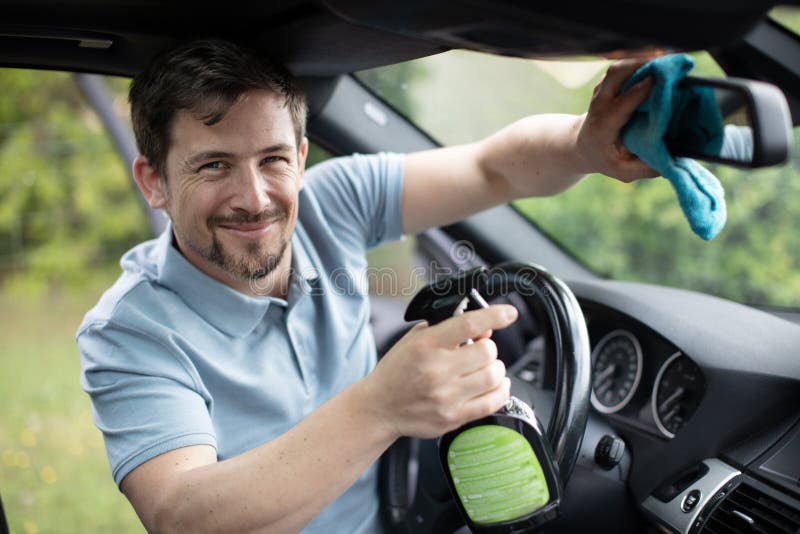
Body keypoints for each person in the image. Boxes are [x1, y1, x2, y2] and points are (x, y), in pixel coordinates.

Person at [77, 39, 655, 533]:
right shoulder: (129, 331)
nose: (254, 199)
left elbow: (490, 168)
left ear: (301, 159)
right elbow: (182, 515)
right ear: (154, 181)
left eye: (273, 159)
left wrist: (586, 143)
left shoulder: (335, 201)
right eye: (214, 166)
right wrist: (382, 406)